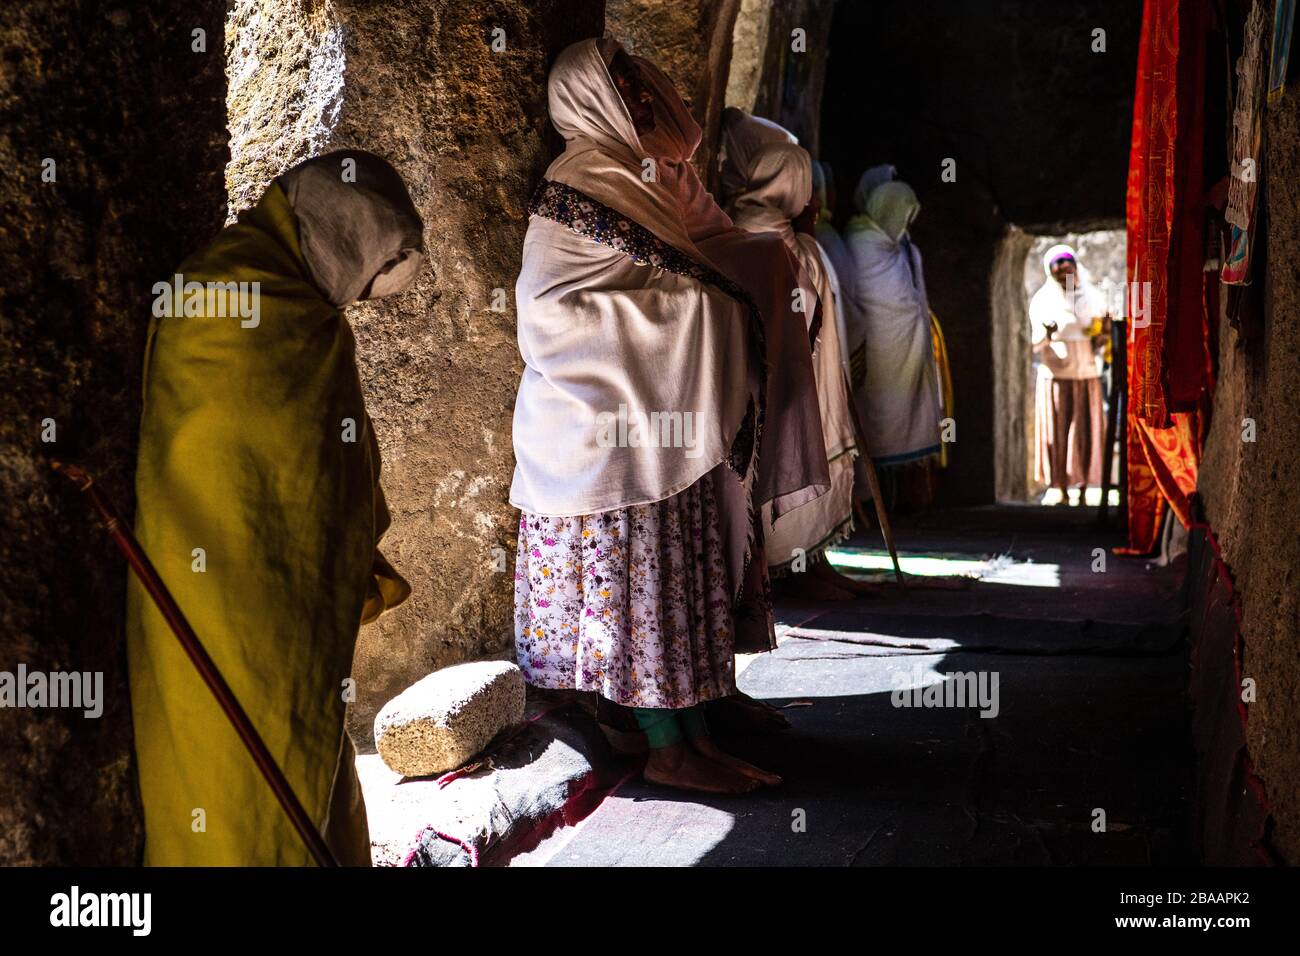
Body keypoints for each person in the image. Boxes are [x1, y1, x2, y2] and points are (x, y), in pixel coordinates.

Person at [512, 38, 828, 793]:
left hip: (661, 415)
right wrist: (700, 309)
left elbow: (699, 254)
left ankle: (695, 725)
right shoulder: (587, 174)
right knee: (645, 584)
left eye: (635, 75)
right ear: (592, 99)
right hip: (606, 430)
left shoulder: (642, 172)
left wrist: (749, 278)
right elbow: (551, 311)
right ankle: (667, 746)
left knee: (677, 578)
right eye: (621, 83)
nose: (641, 92)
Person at [127, 151, 423, 865]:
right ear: (341, 233)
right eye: (376, 262)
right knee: (232, 769)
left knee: (303, 752)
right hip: (214, 593)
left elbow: (320, 461)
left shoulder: (304, 311)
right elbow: (244, 460)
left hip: (293, 596)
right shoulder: (217, 304)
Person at [720, 110, 860, 599]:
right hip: (787, 379)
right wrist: (805, 232)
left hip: (786, 378)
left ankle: (808, 564)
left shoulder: (756, 227)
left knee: (791, 456)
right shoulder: (770, 233)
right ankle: (792, 567)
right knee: (791, 458)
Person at [845, 175, 943, 483]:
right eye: (903, 215)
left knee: (901, 414)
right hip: (877, 349)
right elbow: (876, 300)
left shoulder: (898, 247)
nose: (906, 225)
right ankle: (875, 491)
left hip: (906, 349)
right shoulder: (860, 243)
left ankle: (896, 491)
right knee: (874, 414)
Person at [1029, 243, 1108, 504]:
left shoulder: (1093, 298)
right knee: (1058, 434)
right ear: (1050, 272)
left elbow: (1102, 340)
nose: (1064, 273)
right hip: (1056, 378)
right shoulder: (1042, 301)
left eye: (1068, 267)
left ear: (1075, 268)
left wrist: (1103, 333)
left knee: (1085, 433)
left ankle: (1084, 488)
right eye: (1058, 269)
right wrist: (1048, 334)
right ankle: (1060, 489)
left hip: (1087, 375)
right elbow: (1034, 344)